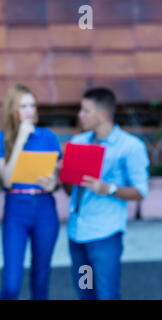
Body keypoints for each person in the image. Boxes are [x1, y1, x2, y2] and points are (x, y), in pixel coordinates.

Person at [63, 87, 150, 300]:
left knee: (106, 294)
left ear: (102, 115)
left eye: (85, 111)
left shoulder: (131, 147)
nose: (80, 116)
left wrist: (108, 189)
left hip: (105, 236)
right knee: (86, 293)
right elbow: (69, 190)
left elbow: (140, 191)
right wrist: (63, 173)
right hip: (77, 234)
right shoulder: (77, 143)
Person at [0, 84, 62, 300]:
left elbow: (55, 179)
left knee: (41, 279)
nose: (29, 110)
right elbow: (8, 180)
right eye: (23, 106)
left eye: (32, 105)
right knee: (12, 283)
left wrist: (53, 184)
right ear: (12, 109)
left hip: (45, 208)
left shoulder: (48, 136)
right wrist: (20, 139)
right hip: (16, 209)